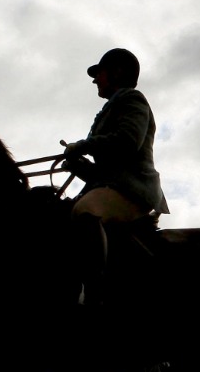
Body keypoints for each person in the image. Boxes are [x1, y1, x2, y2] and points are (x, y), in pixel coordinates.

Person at [63, 48, 169, 299]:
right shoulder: (112, 107)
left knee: (84, 210)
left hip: (134, 189)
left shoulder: (133, 99)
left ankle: (93, 293)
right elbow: (106, 172)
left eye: (99, 73)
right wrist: (77, 166)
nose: (94, 79)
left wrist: (83, 145)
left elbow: (128, 141)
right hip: (115, 186)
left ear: (117, 72)